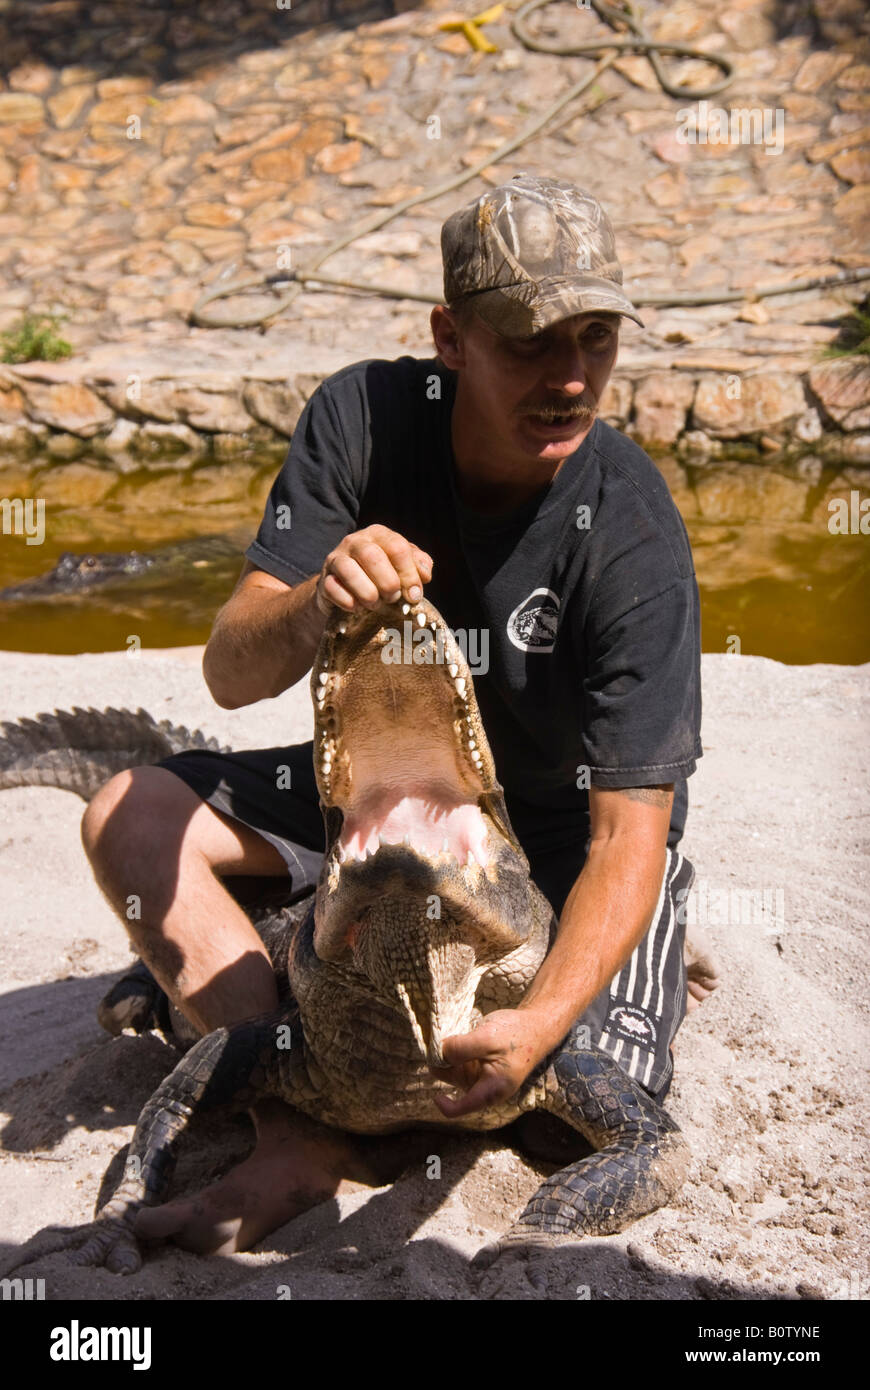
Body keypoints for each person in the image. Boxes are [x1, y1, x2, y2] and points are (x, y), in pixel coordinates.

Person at [82, 174, 714, 1256]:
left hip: (558, 847)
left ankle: (635, 957)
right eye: (527, 342)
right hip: (382, 810)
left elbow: (630, 835)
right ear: (451, 337)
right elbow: (232, 670)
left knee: (579, 1113)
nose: (570, 378)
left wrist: (534, 1029)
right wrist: (312, 596)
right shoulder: (363, 417)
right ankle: (301, 1123)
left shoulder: (634, 527)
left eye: (597, 337)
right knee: (127, 812)